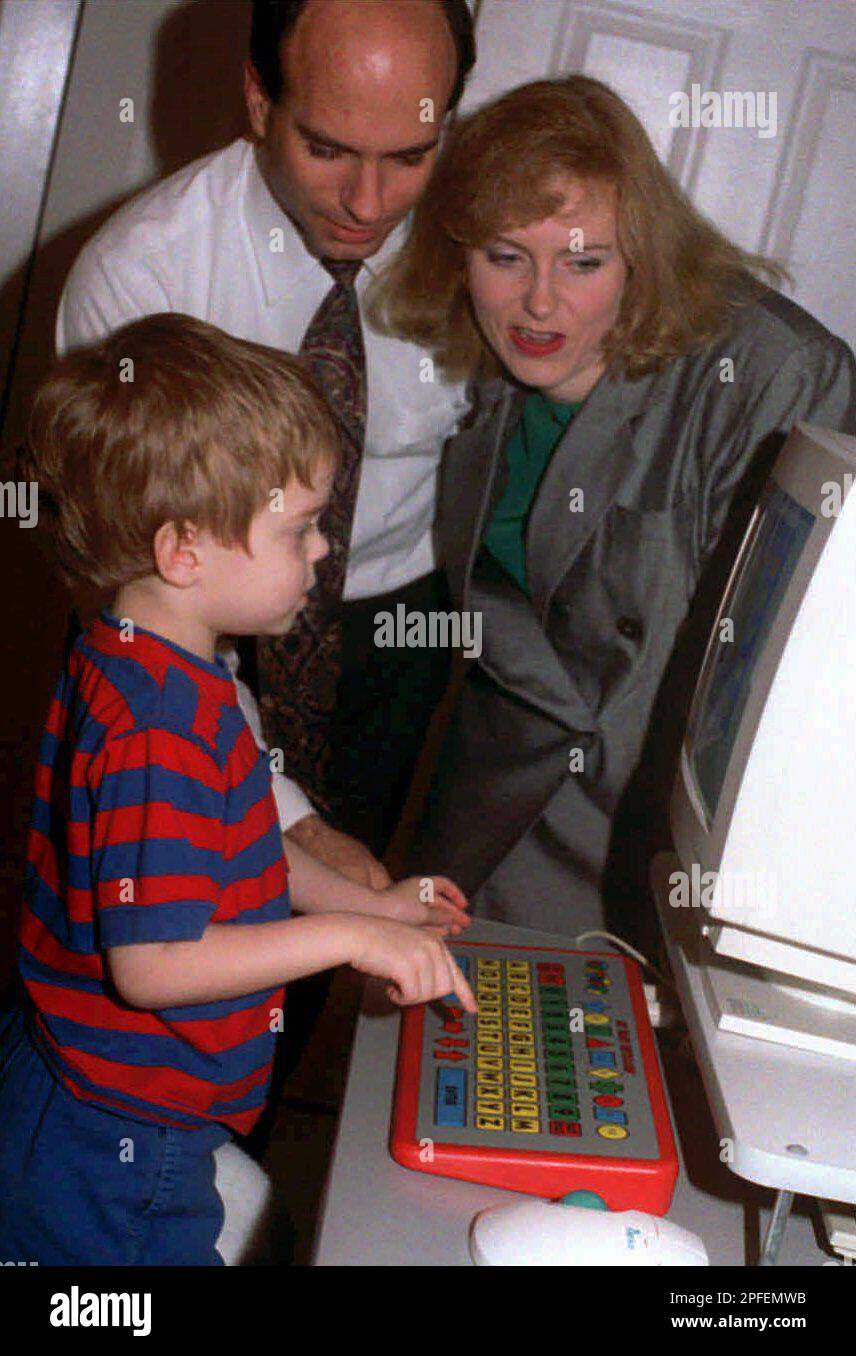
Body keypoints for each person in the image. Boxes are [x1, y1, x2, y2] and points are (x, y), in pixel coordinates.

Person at [0, 313, 474, 1266]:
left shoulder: (154, 667)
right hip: (120, 1133)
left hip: (91, 1092)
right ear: (184, 553)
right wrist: (349, 936)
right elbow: (154, 965)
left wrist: (367, 902)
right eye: (296, 530)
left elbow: (247, 849)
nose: (319, 555)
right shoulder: (158, 733)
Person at [369, 76, 856, 939]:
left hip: (651, 855)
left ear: (643, 255)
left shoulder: (774, 374)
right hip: (493, 818)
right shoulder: (473, 367)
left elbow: (773, 705)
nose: (540, 302)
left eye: (583, 262)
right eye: (504, 255)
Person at [56, 0, 477, 881]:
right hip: (189, 644)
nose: (369, 203)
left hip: (399, 635)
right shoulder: (140, 279)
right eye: (325, 149)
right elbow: (140, 609)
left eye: (409, 157)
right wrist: (290, 820)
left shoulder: (488, 249)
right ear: (257, 100)